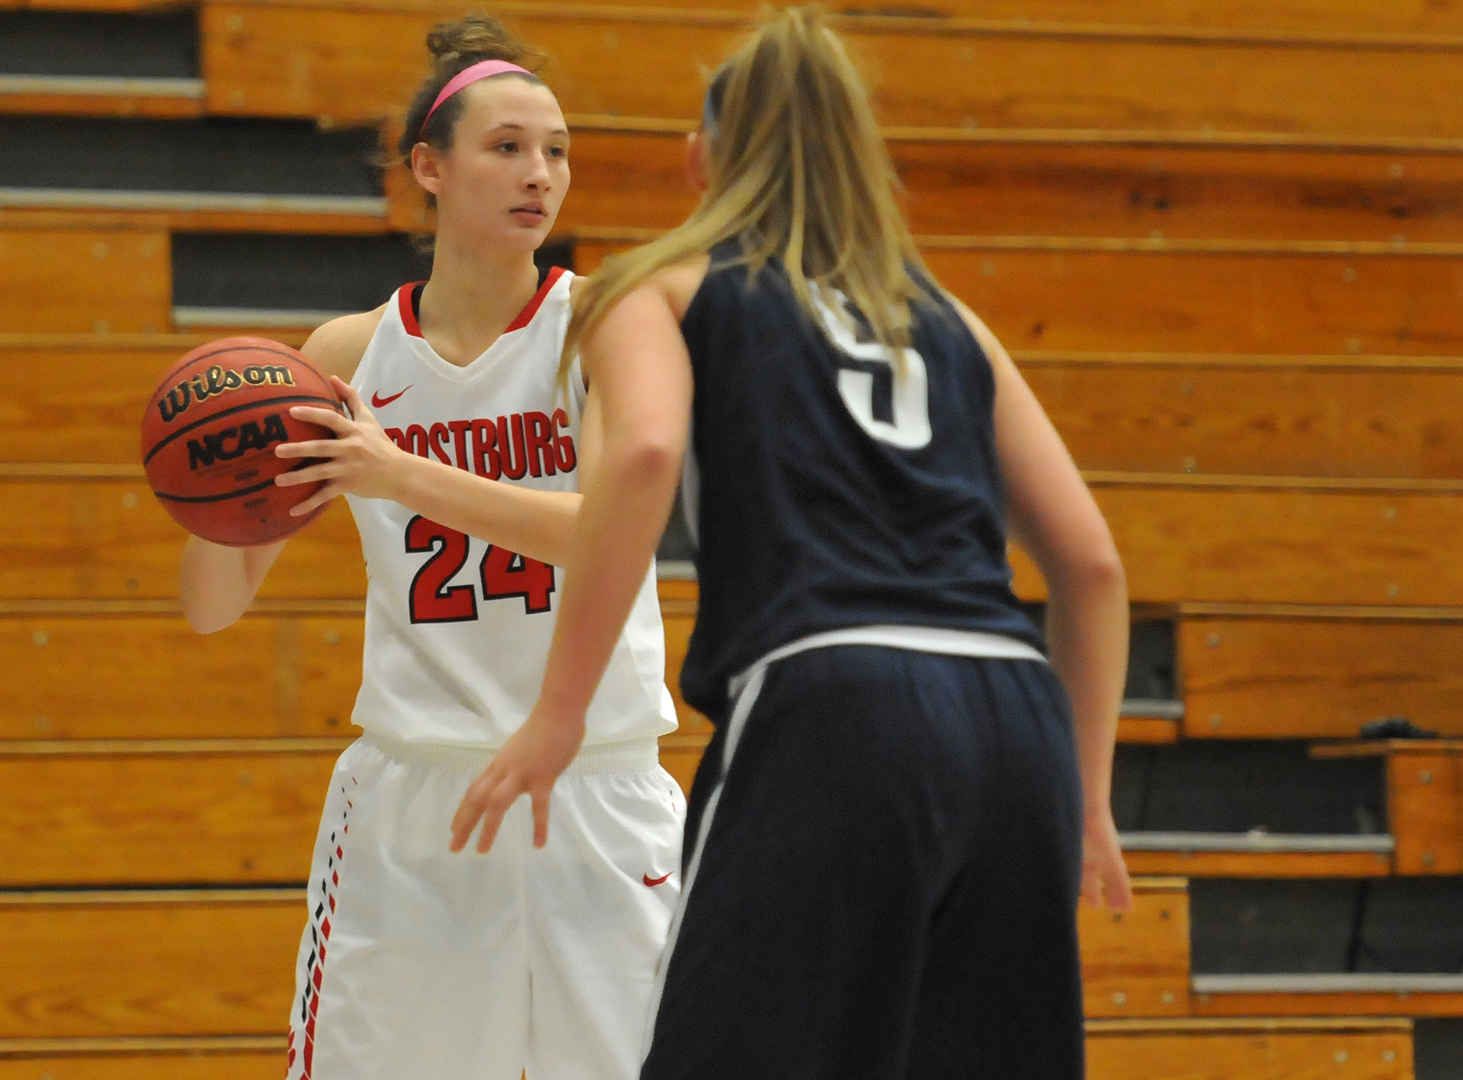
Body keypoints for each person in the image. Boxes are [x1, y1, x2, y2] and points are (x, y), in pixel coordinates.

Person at [450, 7, 1135, 1078]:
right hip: (1018, 723)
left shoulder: (662, 284)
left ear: (700, 160)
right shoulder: (946, 317)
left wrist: (559, 713)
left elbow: (636, 465)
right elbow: (1091, 567)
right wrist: (1086, 799)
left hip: (835, 700)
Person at [177, 15, 684, 1080]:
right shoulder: (347, 357)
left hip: (594, 787)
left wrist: (398, 471)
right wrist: (210, 487)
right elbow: (216, 605)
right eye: (506, 147)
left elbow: (607, 537)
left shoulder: (607, 325)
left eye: (556, 150)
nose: (540, 173)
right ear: (429, 167)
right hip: (418, 799)